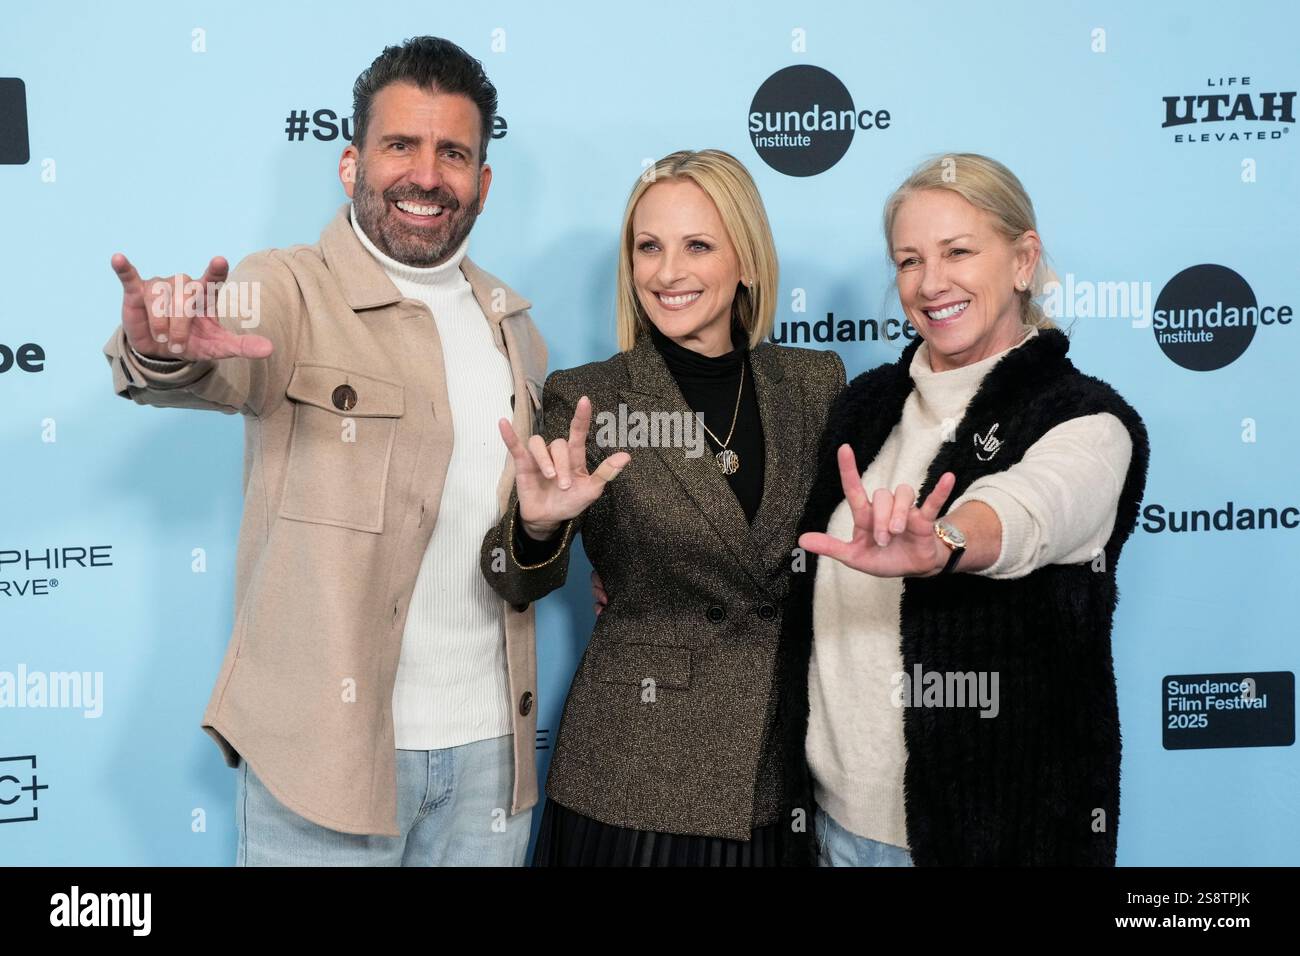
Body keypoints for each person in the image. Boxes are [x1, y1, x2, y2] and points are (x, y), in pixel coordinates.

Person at [102, 36, 547, 866]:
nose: (425, 175)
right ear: (351, 165)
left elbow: (522, 548)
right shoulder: (288, 288)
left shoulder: (516, 331)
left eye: (453, 153)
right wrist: (166, 345)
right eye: (400, 146)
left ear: (482, 182)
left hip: (491, 758)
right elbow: (209, 343)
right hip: (326, 760)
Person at [780, 152, 1149, 866]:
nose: (931, 282)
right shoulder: (866, 405)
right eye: (910, 260)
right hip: (831, 828)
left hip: (991, 840)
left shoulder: (1087, 421)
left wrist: (943, 541)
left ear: (1022, 259)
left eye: (958, 252)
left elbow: (1026, 511)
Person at [479, 148, 845, 866]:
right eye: (648, 247)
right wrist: (539, 525)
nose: (667, 272)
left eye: (697, 245)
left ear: (747, 261)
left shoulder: (815, 382)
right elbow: (507, 573)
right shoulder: (592, 395)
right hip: (636, 776)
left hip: (782, 771)